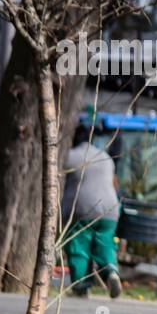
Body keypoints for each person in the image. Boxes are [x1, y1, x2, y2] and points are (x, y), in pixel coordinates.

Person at [61, 123, 122, 298]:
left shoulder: (71, 156)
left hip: (83, 209)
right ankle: (111, 271)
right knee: (105, 243)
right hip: (110, 210)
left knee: (78, 245)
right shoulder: (105, 157)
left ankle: (81, 286)